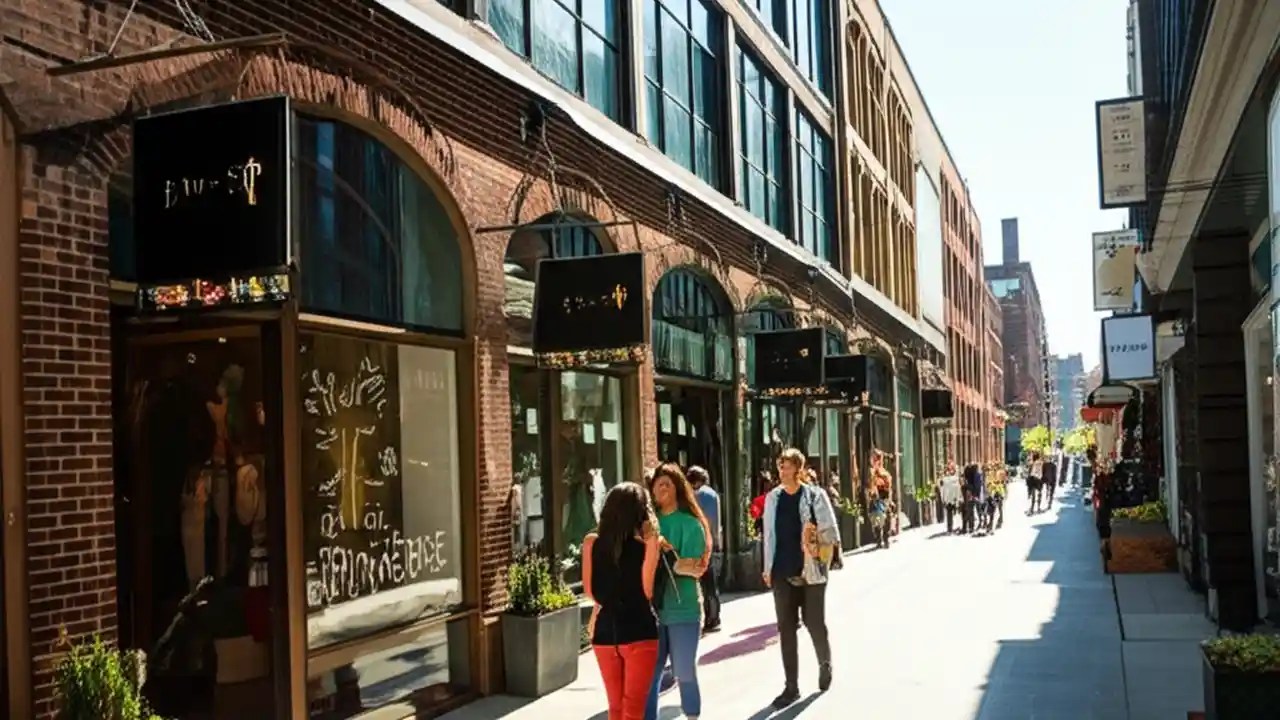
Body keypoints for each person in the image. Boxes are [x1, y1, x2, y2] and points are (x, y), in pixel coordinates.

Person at [762, 448, 838, 709]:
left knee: (814, 621)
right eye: (780, 466)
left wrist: (816, 542)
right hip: (782, 570)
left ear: (798, 469)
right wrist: (767, 567)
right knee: (786, 628)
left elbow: (831, 531)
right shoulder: (773, 498)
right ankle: (791, 686)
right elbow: (769, 534)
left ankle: (824, 663)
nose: (782, 472)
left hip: (812, 569)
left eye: (787, 467)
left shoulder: (815, 495)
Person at [582, 483, 662, 720]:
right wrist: (652, 543)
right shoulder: (645, 545)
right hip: (639, 629)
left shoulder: (591, 543)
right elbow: (647, 591)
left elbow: (590, 592)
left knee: (615, 708)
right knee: (633, 709)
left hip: (606, 632)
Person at [645, 463, 708, 720]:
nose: (662, 486)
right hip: (652, 610)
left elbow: (695, 568)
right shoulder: (647, 525)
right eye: (658, 482)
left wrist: (667, 554)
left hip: (684, 609)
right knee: (651, 671)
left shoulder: (691, 524)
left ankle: (692, 715)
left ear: (678, 488)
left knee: (684, 671)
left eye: (668, 483)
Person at [687, 465, 722, 634]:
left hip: (698, 544)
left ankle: (709, 617)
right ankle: (713, 617)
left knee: (703, 583)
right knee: (710, 584)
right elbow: (715, 522)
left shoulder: (695, 496)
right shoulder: (712, 494)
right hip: (711, 542)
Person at [938, 461, 963, 534]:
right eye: (949, 469)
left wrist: (958, 497)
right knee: (949, 513)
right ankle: (950, 528)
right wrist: (943, 498)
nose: (949, 471)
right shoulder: (945, 479)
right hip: (949, 498)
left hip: (954, 497)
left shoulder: (955, 478)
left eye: (951, 469)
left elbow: (958, 488)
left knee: (957, 512)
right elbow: (943, 488)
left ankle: (957, 526)